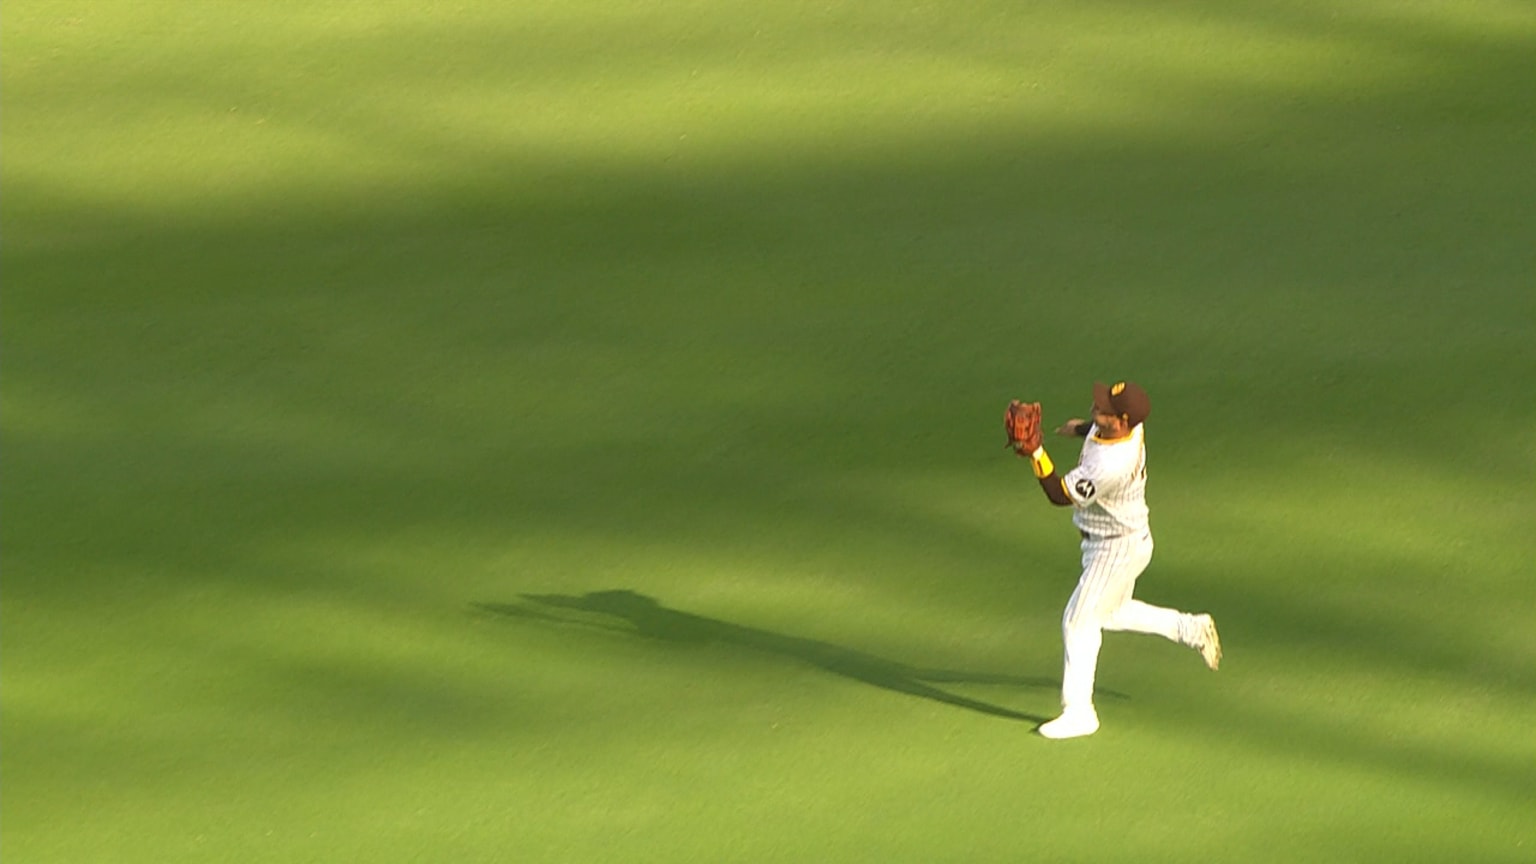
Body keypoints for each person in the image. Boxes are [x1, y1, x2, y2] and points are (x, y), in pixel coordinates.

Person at [1015, 380, 1220, 739]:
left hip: (1115, 548)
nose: (1096, 409)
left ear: (1122, 420)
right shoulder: (1130, 427)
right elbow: (1097, 429)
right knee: (1112, 612)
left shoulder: (1111, 465)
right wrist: (1080, 428)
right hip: (1122, 541)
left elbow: (1059, 495)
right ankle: (1191, 628)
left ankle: (1080, 712)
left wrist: (1036, 451)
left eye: (1104, 409)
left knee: (1078, 622)